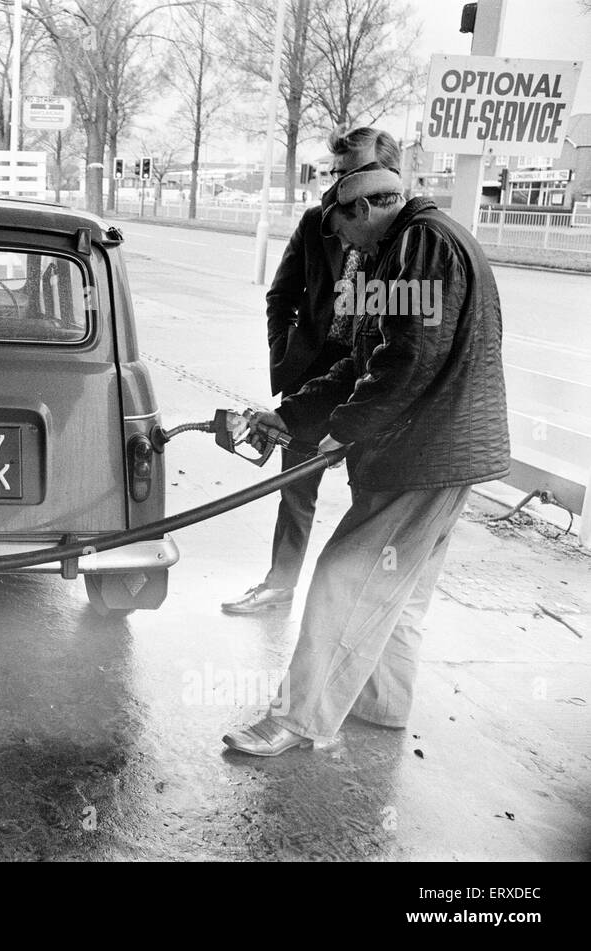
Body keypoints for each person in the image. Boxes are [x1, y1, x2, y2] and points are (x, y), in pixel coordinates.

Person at [222, 162, 510, 755]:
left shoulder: (423, 243)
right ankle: (379, 707)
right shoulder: (405, 249)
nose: (339, 245)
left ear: (365, 210)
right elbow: (364, 357)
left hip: (424, 455)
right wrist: (296, 417)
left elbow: (408, 358)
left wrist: (344, 432)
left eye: (338, 228)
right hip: (440, 454)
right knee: (395, 590)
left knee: (342, 579)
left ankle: (297, 720)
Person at [223, 127, 403, 615]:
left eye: (356, 172)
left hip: (370, 375)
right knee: (295, 489)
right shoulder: (315, 223)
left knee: (366, 489)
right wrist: (286, 352)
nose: (342, 183)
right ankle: (280, 584)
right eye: (338, 172)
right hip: (314, 375)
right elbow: (280, 296)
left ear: (386, 176)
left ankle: (355, 599)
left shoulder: (401, 238)